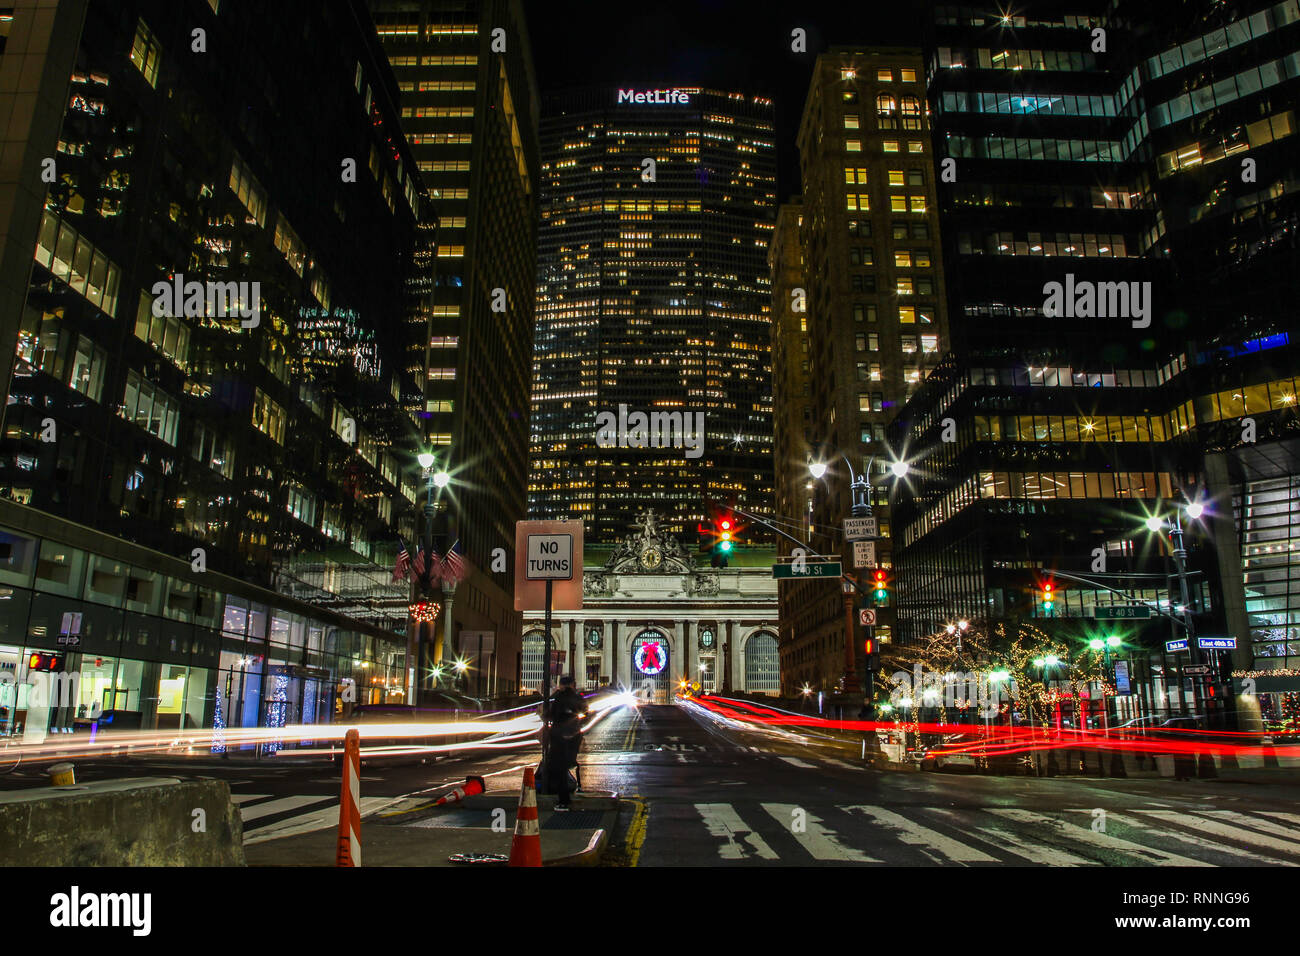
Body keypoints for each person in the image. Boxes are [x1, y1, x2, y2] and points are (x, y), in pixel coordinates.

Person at [546, 676, 585, 810]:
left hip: (559, 736)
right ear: (572, 685)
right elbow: (585, 711)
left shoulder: (558, 697)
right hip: (573, 736)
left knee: (558, 768)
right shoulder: (577, 697)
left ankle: (564, 801)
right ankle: (574, 789)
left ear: (562, 685)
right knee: (568, 764)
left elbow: (551, 715)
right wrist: (578, 725)